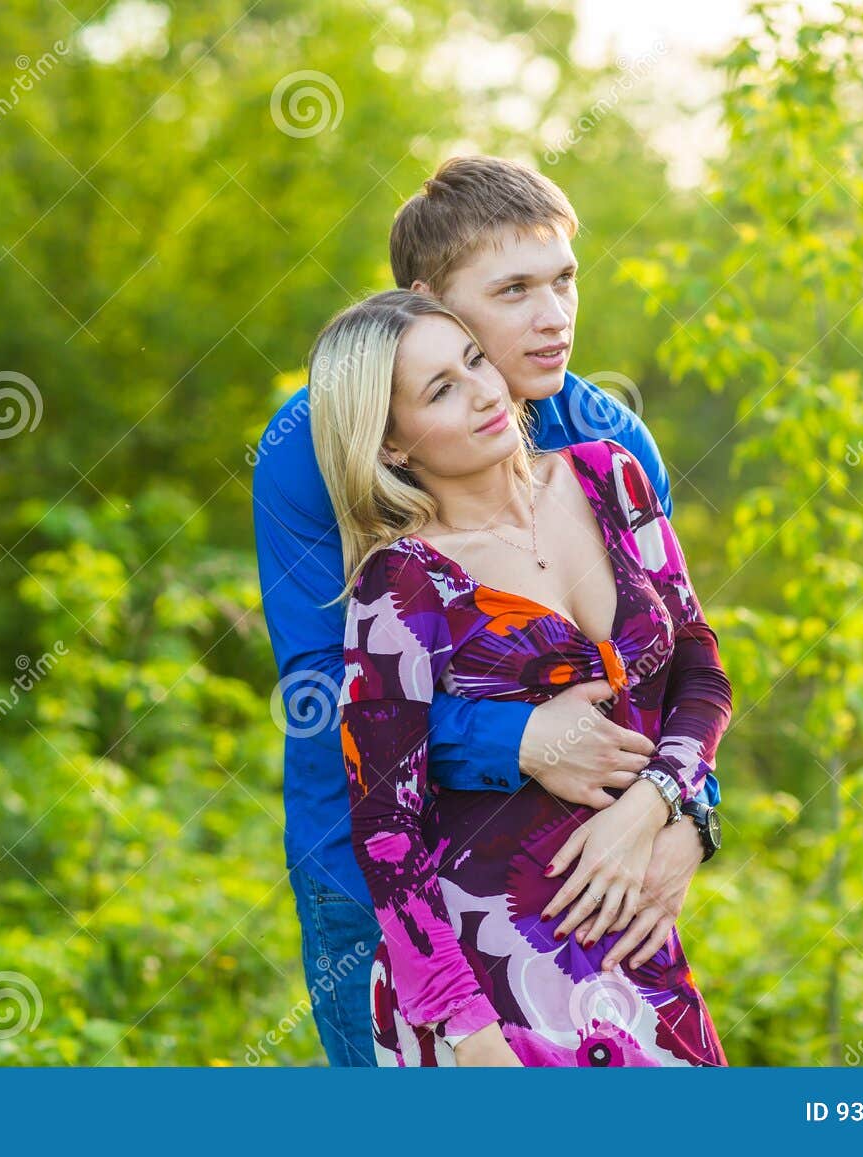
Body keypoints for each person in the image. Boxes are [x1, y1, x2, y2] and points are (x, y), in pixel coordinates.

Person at [251, 156, 724, 1066]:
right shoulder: (311, 448)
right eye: (513, 291)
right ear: (432, 300)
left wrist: (687, 815)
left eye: (564, 280)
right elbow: (323, 693)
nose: (554, 318)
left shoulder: (611, 444)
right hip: (384, 880)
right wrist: (522, 740)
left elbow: (682, 659)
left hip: (589, 871)